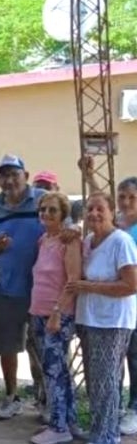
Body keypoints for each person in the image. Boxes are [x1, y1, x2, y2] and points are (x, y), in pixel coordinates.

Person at [65, 192, 137, 444]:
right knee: (95, 382)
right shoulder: (88, 241)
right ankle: (98, 431)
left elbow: (131, 285)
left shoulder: (121, 241)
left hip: (112, 322)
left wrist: (89, 286)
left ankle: (107, 436)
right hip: (88, 318)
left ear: (111, 213)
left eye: (100, 209)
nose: (94, 213)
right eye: (90, 209)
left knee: (106, 382)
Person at [0, 154, 47, 420]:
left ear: (26, 176)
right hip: (7, 288)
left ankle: (45, 398)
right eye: (4, 176)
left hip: (43, 289)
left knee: (43, 347)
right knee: (7, 347)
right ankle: (11, 397)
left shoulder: (43, 200)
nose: (9, 181)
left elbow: (65, 234)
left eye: (14, 174)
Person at [28, 192, 82, 444]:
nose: (46, 214)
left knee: (53, 371)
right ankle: (69, 421)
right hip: (38, 313)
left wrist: (57, 314)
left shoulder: (69, 241)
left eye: (52, 210)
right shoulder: (43, 240)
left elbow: (72, 282)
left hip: (57, 315)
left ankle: (58, 427)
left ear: (63, 215)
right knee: (56, 370)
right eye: (43, 210)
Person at [116, 177, 137, 435]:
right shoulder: (116, 224)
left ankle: (135, 407)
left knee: (135, 358)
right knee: (116, 358)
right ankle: (117, 405)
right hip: (117, 306)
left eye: (132, 197)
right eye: (122, 196)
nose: (126, 201)